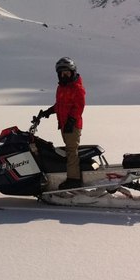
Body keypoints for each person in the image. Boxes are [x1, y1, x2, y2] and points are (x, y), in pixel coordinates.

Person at [37, 57, 86, 190]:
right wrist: (48, 112)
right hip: (64, 125)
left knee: (71, 151)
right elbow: (59, 105)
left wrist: (71, 121)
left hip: (72, 125)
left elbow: (79, 106)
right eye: (62, 73)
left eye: (67, 73)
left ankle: (74, 180)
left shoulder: (77, 88)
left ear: (73, 72)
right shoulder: (61, 88)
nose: (64, 76)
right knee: (66, 150)